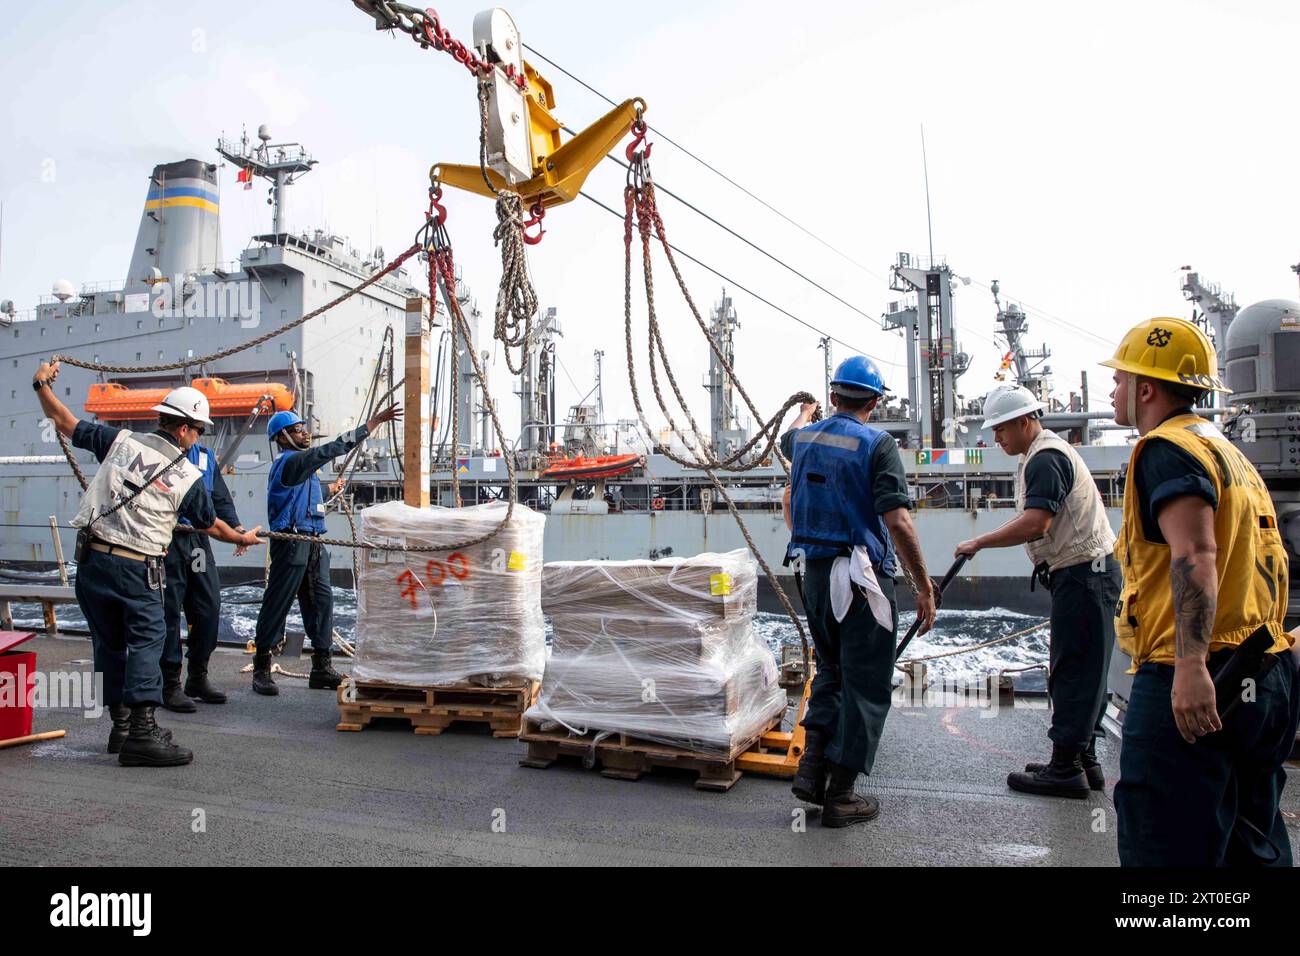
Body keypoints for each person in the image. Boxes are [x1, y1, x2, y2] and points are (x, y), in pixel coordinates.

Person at [1103, 317, 1296, 866]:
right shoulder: (1228, 451)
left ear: (1147, 388)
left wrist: (1189, 669)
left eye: (1119, 380)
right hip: (1263, 670)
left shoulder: (1165, 448)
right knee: (1249, 845)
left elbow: (1195, 554)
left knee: (1161, 844)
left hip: (1199, 672)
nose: (1114, 391)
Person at [32, 364, 261, 766]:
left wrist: (40, 385)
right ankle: (142, 733)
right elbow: (211, 524)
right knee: (146, 641)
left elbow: (63, 421)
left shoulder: (119, 440)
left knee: (107, 643)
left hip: (90, 562)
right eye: (200, 431)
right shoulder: (188, 475)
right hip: (137, 568)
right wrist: (243, 537)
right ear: (187, 430)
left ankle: (120, 728)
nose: (198, 438)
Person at [784, 356, 937, 828]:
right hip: (862, 578)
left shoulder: (802, 439)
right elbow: (898, 521)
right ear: (876, 400)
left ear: (834, 396)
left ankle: (812, 770)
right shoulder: (879, 444)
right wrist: (923, 587)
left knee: (830, 672)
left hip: (814, 577)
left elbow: (792, 432)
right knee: (867, 684)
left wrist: (807, 410)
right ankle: (842, 795)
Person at [955, 384, 1119, 797]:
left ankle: (1065, 769)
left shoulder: (1046, 458)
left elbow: (1036, 523)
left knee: (1073, 671)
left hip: (1083, 577)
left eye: (1001, 429)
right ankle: (1083, 760)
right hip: (1086, 576)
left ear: (1026, 420)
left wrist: (979, 541)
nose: (996, 438)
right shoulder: (1043, 453)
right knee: (1084, 669)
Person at [251, 404, 402, 696]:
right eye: (297, 429)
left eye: (303, 427)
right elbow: (329, 450)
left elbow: (306, 496)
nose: (304, 432)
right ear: (283, 437)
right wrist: (371, 424)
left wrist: (329, 490)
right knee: (277, 604)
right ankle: (261, 668)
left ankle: (321, 667)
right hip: (291, 542)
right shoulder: (290, 462)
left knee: (321, 602)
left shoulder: (303, 470)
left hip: (314, 542)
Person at [159, 438, 251, 711]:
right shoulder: (159, 452)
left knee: (208, 607)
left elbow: (220, 497)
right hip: (167, 541)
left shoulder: (206, 456)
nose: (199, 433)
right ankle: (169, 684)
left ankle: (197, 677)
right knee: (169, 612)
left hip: (198, 543)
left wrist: (237, 529)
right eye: (197, 427)